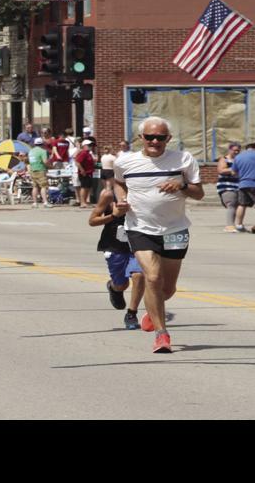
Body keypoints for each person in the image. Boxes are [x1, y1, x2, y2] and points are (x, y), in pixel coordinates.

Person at [111, 117, 203, 354]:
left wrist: (181, 186)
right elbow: (119, 183)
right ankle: (162, 335)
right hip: (140, 227)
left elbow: (199, 193)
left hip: (175, 229)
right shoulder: (125, 161)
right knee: (152, 278)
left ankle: (152, 314)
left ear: (168, 139)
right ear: (141, 138)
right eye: (150, 137)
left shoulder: (183, 160)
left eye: (160, 137)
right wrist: (121, 201)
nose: (155, 141)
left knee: (168, 289)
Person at [89, 185, 145, 329]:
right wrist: (114, 215)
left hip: (138, 243)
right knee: (122, 285)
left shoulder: (143, 192)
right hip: (114, 246)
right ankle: (114, 288)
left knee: (139, 275)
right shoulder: (109, 196)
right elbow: (92, 221)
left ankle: (131, 313)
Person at [216, 141, 246, 232]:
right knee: (231, 204)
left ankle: (237, 225)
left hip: (238, 186)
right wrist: (233, 169)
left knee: (238, 206)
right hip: (227, 187)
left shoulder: (240, 160)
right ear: (229, 150)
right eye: (235, 150)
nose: (236, 152)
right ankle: (229, 226)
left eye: (238, 151)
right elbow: (221, 170)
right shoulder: (224, 159)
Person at [235, 141, 255, 233]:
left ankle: (239, 225)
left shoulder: (238, 157)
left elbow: (234, 171)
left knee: (242, 204)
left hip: (243, 184)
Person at [75, 139, 98, 207]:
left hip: (89, 173)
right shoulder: (83, 153)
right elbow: (77, 162)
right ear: (84, 146)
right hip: (84, 173)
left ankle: (85, 201)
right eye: (89, 145)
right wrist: (82, 170)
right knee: (84, 187)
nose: (91, 147)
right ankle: (82, 202)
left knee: (87, 188)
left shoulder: (88, 153)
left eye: (91, 145)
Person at [28, 138, 50, 207]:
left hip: (32, 170)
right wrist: (50, 166)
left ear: (35, 144)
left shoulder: (31, 151)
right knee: (43, 186)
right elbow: (45, 161)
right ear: (42, 144)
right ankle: (45, 202)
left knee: (35, 186)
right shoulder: (43, 151)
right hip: (40, 169)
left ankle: (35, 203)